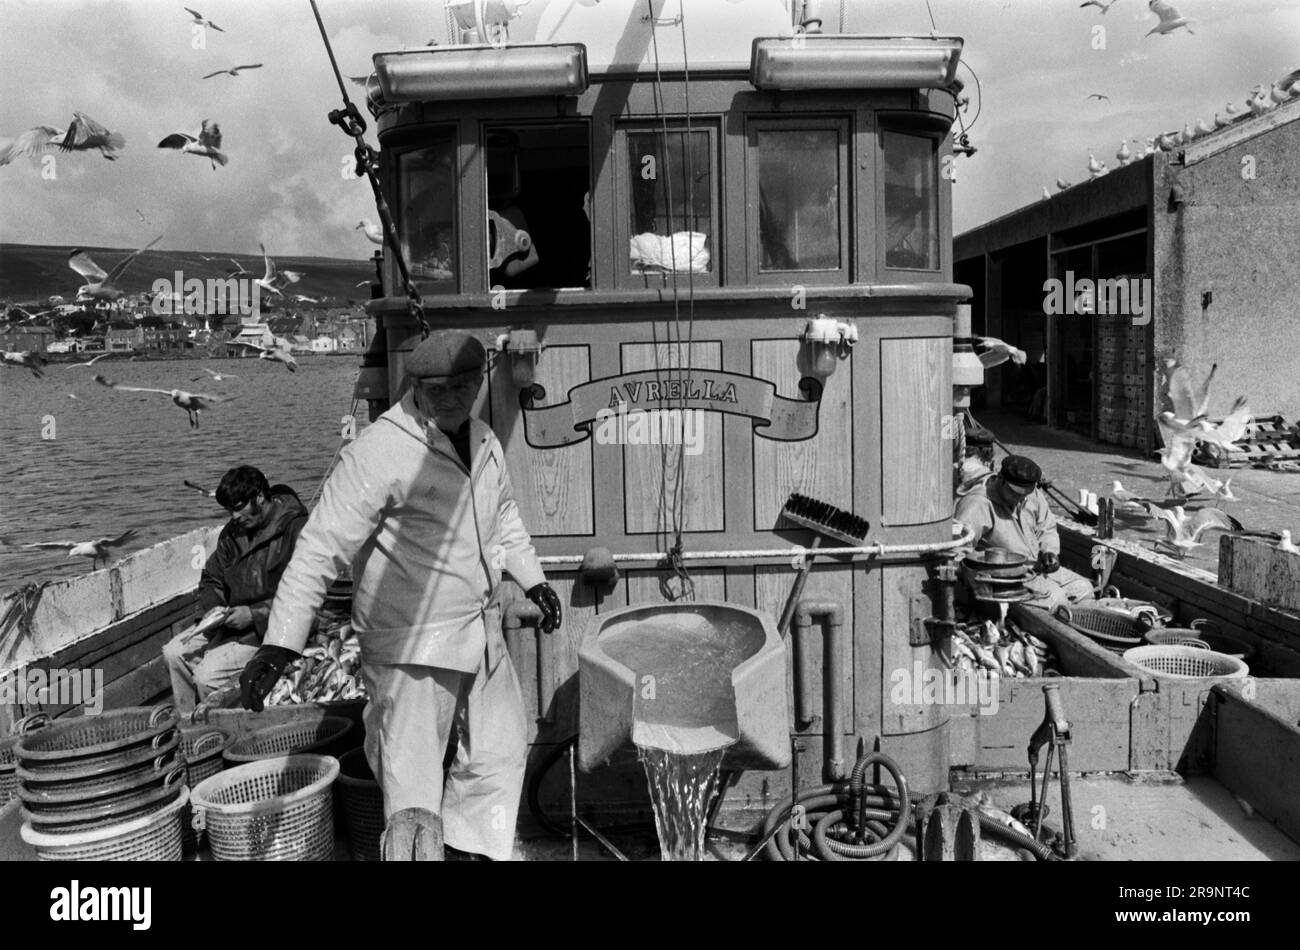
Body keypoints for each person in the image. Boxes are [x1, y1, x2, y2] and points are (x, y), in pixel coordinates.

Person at [239, 329, 561, 862]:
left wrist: (536, 580)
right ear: (416, 387)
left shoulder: (483, 440)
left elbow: (504, 520)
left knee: (497, 755)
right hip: (410, 647)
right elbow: (320, 550)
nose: (454, 398)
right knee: (412, 792)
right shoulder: (377, 452)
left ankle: (469, 855)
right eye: (439, 390)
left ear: (481, 381)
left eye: (464, 386)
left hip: (479, 631)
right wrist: (281, 643)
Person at [163, 466, 308, 713]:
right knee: (173, 653)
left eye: (240, 507)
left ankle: (225, 728)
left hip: (272, 628)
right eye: (229, 510)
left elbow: (307, 595)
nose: (235, 516)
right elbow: (211, 578)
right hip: (229, 623)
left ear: (260, 497)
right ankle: (188, 721)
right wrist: (215, 609)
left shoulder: (297, 528)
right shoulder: (232, 533)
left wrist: (253, 614)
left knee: (207, 676)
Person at [954, 454, 1094, 610]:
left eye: (1024, 494)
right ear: (1000, 479)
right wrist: (974, 578)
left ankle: (1079, 627)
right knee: (1056, 600)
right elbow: (958, 551)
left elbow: (1047, 527)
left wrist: (1050, 552)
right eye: (1014, 493)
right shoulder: (977, 504)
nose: (1019, 499)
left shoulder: (1031, 495)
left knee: (1083, 588)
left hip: (1037, 567)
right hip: (1003, 579)